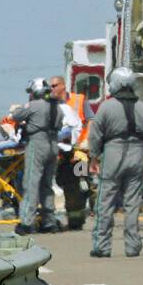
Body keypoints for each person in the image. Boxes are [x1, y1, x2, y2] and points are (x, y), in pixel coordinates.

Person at [88, 67, 143, 259]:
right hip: (137, 154)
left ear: (116, 84)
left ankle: (102, 246)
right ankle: (133, 247)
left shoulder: (106, 107)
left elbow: (95, 134)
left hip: (113, 153)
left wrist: (93, 157)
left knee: (105, 202)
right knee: (133, 204)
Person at [11, 78, 64, 234]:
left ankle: (27, 222)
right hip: (53, 145)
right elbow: (60, 125)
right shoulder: (57, 107)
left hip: (37, 144)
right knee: (47, 184)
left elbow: (16, 115)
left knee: (31, 183)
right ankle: (49, 222)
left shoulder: (33, 105)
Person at [49, 76, 89, 230]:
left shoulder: (77, 100)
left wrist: (85, 142)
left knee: (83, 184)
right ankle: (73, 218)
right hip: (61, 153)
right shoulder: (51, 106)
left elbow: (90, 120)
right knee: (67, 184)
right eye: (50, 86)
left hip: (79, 151)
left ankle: (82, 217)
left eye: (54, 85)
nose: (51, 89)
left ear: (63, 86)